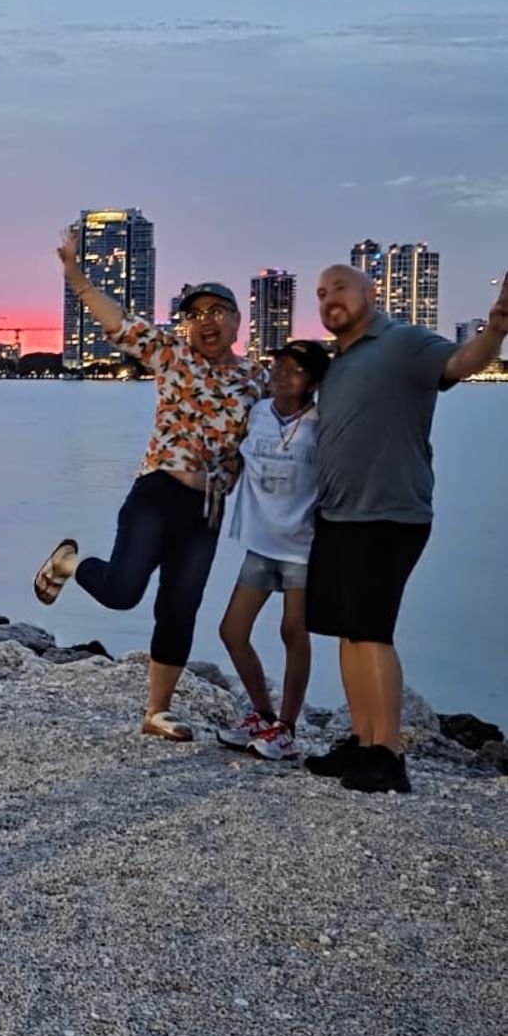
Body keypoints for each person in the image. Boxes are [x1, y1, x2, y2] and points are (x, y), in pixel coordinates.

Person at [35, 228, 266, 739]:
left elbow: (291, 430)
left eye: (216, 312)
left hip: (207, 510)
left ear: (236, 321)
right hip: (157, 494)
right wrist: (74, 275)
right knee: (122, 593)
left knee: (180, 609)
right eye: (195, 314)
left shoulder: (258, 382)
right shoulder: (171, 356)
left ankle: (156, 711)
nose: (205, 322)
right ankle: (71, 561)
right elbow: (116, 322)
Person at [303, 263, 508, 794]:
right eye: (321, 294)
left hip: (389, 514)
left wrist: (498, 328)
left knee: (372, 631)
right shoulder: (338, 361)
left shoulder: (405, 342)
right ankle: (361, 736)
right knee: (346, 632)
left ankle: (388, 754)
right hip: (337, 514)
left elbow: (462, 363)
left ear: (371, 293)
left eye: (340, 288)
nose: (329, 300)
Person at [215, 340, 330, 762]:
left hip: (303, 545)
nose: (283, 373)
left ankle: (287, 728)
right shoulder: (257, 413)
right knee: (232, 631)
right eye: (278, 365)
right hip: (261, 543)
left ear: (314, 381)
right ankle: (262, 714)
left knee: (292, 632)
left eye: (295, 369)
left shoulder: (324, 422)